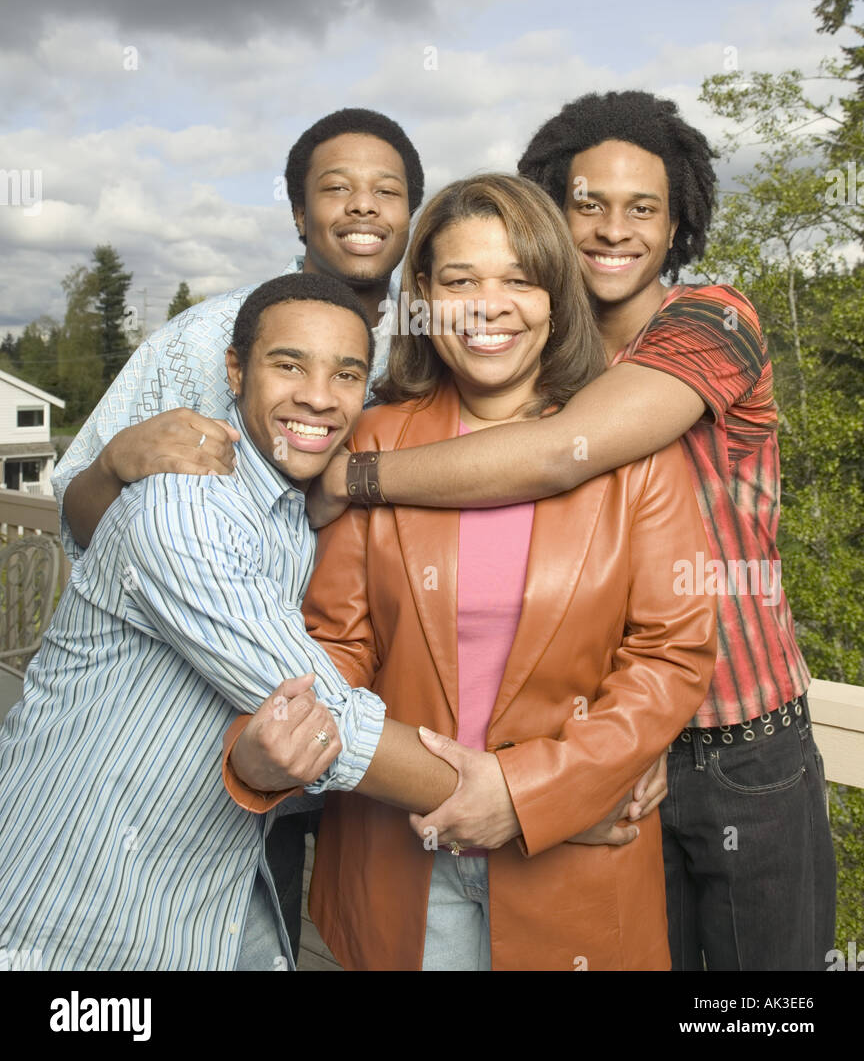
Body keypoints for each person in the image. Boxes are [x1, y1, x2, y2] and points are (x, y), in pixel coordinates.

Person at [307, 91, 836, 973]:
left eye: (644, 209)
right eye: (587, 204)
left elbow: (555, 456)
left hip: (742, 741)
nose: (613, 229)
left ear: (678, 225)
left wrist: (355, 476)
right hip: (605, 754)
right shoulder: (534, 347)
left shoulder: (706, 321)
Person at [223, 176, 717, 971]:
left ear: (556, 294)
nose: (490, 307)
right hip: (398, 863)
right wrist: (272, 747)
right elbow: (336, 647)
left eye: (520, 280)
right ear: (421, 295)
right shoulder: (371, 440)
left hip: (579, 871)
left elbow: (671, 655)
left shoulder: (632, 450)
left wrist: (532, 796)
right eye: (459, 282)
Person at [0, 274, 486, 970]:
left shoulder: (295, 515)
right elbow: (325, 718)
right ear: (235, 371)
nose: (319, 396)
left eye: (346, 374)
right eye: (289, 365)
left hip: (207, 904)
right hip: (70, 916)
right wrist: (527, 796)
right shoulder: (186, 508)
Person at [50, 105, 424, 947]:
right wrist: (114, 466)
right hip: (222, 703)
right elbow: (81, 513)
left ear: (409, 216)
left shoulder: (425, 349)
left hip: (369, 689)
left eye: (386, 191)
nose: (363, 206)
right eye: (336, 188)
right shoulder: (210, 336)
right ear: (299, 214)